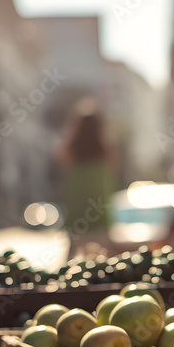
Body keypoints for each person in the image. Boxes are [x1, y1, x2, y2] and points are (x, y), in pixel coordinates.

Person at [55, 99, 119, 259]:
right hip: (99, 218)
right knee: (104, 265)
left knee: (71, 264)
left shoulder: (71, 156)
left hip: (76, 219)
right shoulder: (105, 156)